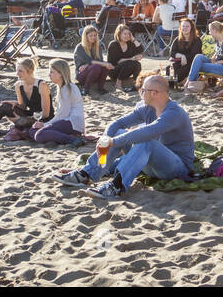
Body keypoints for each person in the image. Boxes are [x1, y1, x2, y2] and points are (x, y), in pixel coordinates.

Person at [51, 74, 194, 201]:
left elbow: (147, 132)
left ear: (155, 93)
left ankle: (116, 186)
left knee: (144, 141)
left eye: (143, 90)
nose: (140, 92)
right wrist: (106, 139)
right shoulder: (147, 108)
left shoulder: (174, 113)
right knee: (118, 133)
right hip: (152, 164)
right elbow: (118, 123)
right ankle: (87, 173)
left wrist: (112, 142)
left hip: (176, 167)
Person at [32, 59, 86, 145]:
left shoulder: (67, 88)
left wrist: (45, 125)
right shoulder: (62, 87)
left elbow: (63, 114)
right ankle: (63, 137)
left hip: (73, 124)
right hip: (67, 122)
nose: (49, 75)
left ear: (60, 74)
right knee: (33, 131)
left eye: (52, 72)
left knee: (39, 134)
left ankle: (72, 140)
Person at [186, 20, 223, 91]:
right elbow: (218, 53)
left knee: (198, 65)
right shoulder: (217, 40)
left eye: (210, 31)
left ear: (215, 30)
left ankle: (189, 83)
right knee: (198, 57)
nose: (209, 33)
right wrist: (213, 58)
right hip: (216, 64)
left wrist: (218, 62)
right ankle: (190, 82)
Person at [103, 24, 144, 92]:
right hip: (114, 70)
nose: (127, 36)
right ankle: (118, 84)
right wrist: (133, 58)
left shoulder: (130, 44)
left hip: (126, 70)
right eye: (125, 34)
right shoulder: (113, 44)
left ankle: (136, 84)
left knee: (137, 64)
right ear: (119, 34)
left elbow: (141, 49)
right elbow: (118, 61)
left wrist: (133, 39)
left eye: (129, 34)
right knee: (130, 62)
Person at [167, 17, 204, 86]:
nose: (185, 28)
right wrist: (182, 56)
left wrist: (184, 58)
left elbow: (194, 55)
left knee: (183, 69)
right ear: (180, 28)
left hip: (193, 63)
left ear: (191, 28)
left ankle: (178, 82)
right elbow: (171, 53)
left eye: (187, 26)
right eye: (183, 26)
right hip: (179, 61)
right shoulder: (178, 39)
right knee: (169, 68)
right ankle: (173, 84)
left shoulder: (196, 40)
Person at [73, 25, 109, 94]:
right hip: (82, 75)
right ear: (86, 36)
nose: (93, 37)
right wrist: (89, 64)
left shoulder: (97, 46)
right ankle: (85, 89)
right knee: (97, 66)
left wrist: (87, 65)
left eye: (95, 35)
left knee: (105, 66)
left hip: (94, 72)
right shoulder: (80, 47)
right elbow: (90, 61)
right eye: (91, 35)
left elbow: (100, 61)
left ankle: (101, 88)